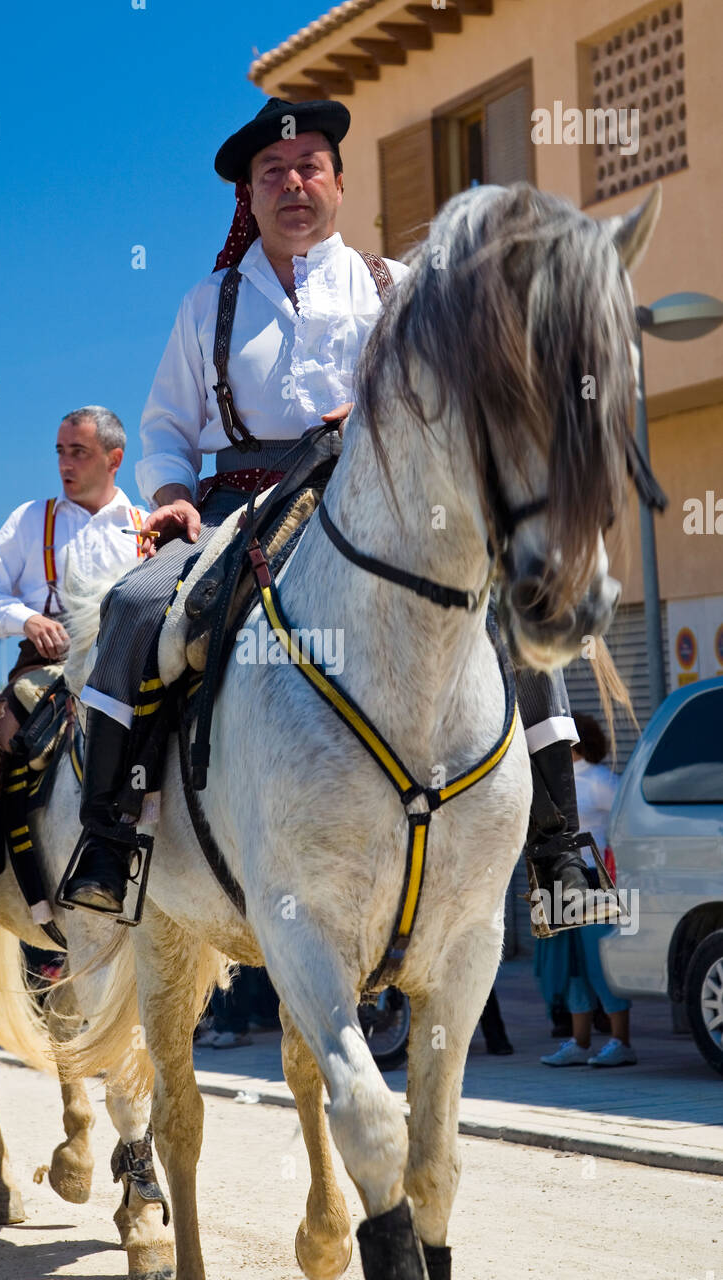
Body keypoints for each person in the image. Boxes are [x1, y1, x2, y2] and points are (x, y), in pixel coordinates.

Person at [63, 96, 607, 931]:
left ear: (339, 184)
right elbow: (167, 429)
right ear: (249, 195)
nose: (292, 184)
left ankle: (558, 850)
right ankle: (107, 840)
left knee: (506, 614)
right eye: (272, 173)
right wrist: (172, 498)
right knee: (138, 609)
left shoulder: (400, 287)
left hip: (380, 497)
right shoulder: (207, 304)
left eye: (308, 167)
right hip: (242, 506)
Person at [0, 407, 147, 957]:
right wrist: (27, 620)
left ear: (114, 459)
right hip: (43, 671)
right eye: (60, 451)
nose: (64, 463)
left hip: (122, 671)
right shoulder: (29, 521)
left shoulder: (143, 526)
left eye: (78, 452)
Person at [537, 712, 636, 1067]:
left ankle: (621, 1042)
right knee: (575, 965)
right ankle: (579, 1044)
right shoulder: (554, 785)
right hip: (564, 881)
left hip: (598, 881)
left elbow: (628, 827)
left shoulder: (602, 782)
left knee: (600, 963)